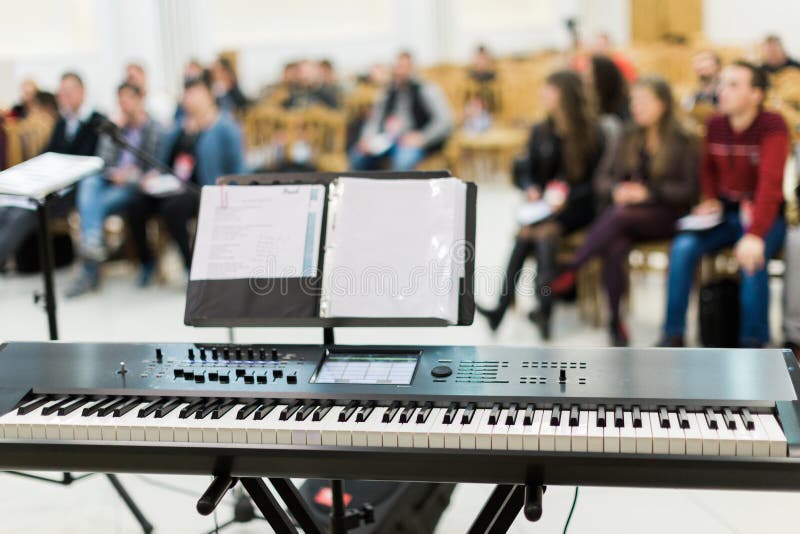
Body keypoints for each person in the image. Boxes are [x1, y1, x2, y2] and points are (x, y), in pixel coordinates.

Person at [549, 76, 700, 346]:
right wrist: (618, 190)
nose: (635, 107)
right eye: (633, 101)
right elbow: (602, 180)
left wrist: (648, 193)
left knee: (619, 216)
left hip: (668, 215)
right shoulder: (627, 135)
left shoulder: (684, 139)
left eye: (643, 101)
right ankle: (615, 322)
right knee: (614, 245)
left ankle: (573, 265)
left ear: (663, 104)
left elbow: (689, 191)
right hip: (628, 220)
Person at [657, 61, 788, 348]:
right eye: (722, 83)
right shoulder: (716, 123)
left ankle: (754, 345)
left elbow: (770, 185)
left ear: (756, 94)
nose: (722, 91)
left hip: (763, 214)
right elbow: (707, 169)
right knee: (682, 248)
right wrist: (711, 198)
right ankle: (673, 334)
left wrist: (754, 234)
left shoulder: (772, 125)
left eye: (733, 85)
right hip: (726, 212)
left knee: (751, 258)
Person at [476, 70, 604, 336]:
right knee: (528, 234)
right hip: (545, 207)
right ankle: (529, 310)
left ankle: (534, 309)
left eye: (550, 91)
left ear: (566, 95)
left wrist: (567, 199)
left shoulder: (592, 132)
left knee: (540, 233)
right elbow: (526, 171)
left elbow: (597, 182)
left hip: (578, 207)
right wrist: (530, 188)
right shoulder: (541, 130)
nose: (544, 96)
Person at [128, 70, 244, 284]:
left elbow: (239, 168)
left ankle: (191, 267)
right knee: (135, 204)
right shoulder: (179, 127)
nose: (189, 99)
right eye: (187, 94)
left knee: (173, 209)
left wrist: (230, 193)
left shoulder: (225, 127)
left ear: (209, 95)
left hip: (204, 189)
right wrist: (152, 177)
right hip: (172, 185)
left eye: (195, 94)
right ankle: (147, 262)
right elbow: (165, 162)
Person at [65, 82, 163, 297]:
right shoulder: (117, 127)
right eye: (120, 101)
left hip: (135, 186)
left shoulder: (153, 127)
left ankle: (89, 269)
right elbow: (103, 160)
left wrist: (130, 176)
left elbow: (155, 168)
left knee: (91, 209)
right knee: (89, 181)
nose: (124, 106)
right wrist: (115, 130)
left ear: (140, 100)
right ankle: (93, 244)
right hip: (111, 181)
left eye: (128, 100)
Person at [0, 72, 104, 268]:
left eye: (69, 91)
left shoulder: (96, 121)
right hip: (50, 184)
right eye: (62, 92)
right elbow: (47, 155)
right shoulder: (62, 123)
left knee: (23, 215)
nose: (64, 97)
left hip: (72, 190)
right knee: (6, 210)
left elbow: (91, 160)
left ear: (82, 91)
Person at [350, 51, 453, 171]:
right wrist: (366, 139)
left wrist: (422, 137)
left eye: (404, 67)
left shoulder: (427, 90)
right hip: (386, 140)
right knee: (357, 157)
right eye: (397, 67)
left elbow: (445, 122)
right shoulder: (388, 92)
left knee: (402, 163)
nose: (400, 72)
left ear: (413, 68)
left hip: (411, 142)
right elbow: (375, 120)